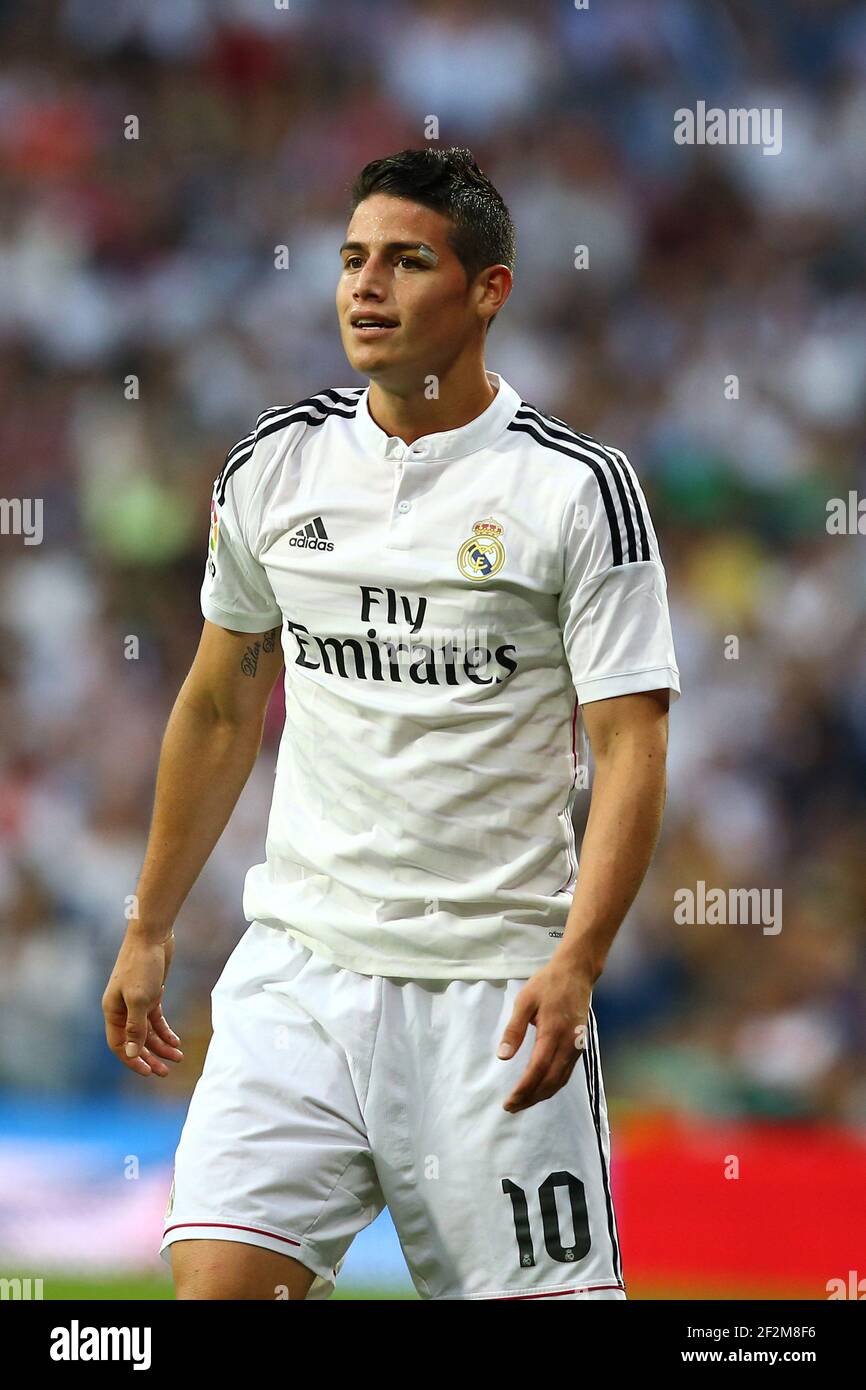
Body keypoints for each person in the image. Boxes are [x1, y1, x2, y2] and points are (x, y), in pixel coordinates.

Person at [102, 147, 680, 1301]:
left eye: (407, 261)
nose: (366, 287)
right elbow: (221, 703)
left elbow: (628, 743)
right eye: (352, 259)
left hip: (492, 994)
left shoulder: (573, 490)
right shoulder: (277, 463)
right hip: (300, 975)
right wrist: (151, 920)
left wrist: (577, 958)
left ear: (487, 291)